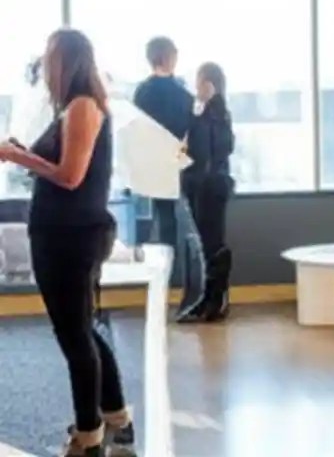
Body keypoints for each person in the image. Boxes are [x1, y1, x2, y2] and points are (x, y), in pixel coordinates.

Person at [0, 29, 134, 456]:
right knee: (83, 331)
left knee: (74, 336)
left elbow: (70, 176)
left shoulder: (82, 107)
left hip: (70, 237)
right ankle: (117, 419)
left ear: (66, 62)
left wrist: (16, 156)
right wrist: (23, 152)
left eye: (49, 58)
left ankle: (88, 435)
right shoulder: (73, 109)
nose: (44, 67)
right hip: (64, 233)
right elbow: (56, 166)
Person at [132, 37, 195, 305]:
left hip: (148, 164)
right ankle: (175, 281)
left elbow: (137, 130)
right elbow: (190, 129)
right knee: (180, 224)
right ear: (171, 57)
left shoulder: (142, 93)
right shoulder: (183, 93)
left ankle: (149, 279)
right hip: (177, 163)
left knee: (147, 222)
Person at [177, 62, 235, 323]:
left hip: (212, 186)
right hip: (198, 185)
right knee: (202, 243)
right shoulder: (200, 113)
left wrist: (212, 104)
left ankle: (217, 298)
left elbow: (221, 147)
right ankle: (205, 297)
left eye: (200, 82)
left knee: (213, 242)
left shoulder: (219, 112)